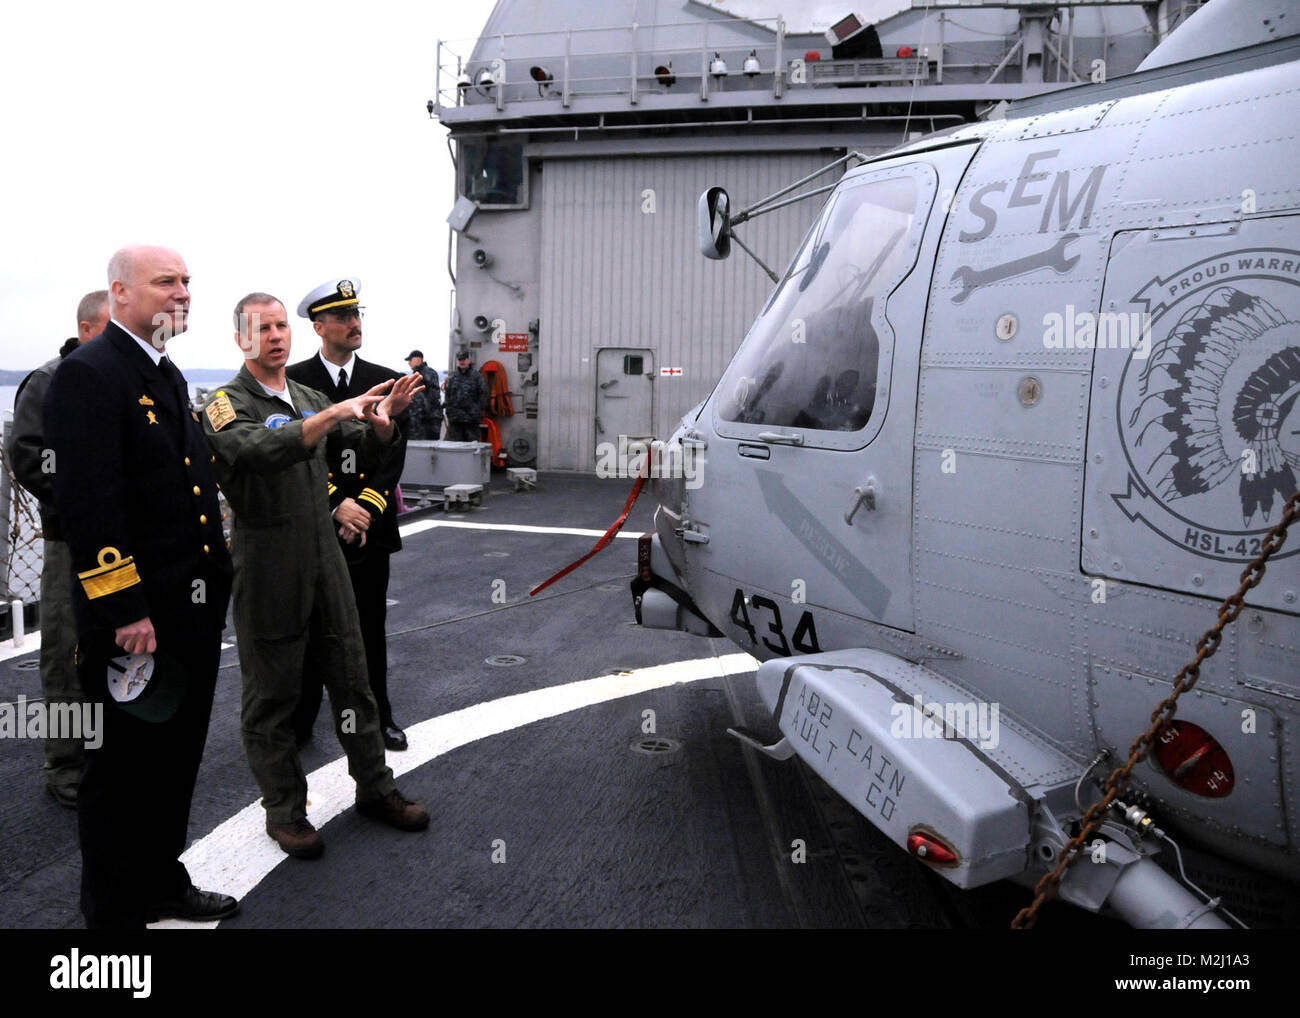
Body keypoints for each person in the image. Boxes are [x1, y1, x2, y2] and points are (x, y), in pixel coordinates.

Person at [44, 246, 236, 928]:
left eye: (187, 281)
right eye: (166, 282)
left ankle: (160, 880)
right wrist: (124, 607)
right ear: (120, 292)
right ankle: (113, 918)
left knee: (173, 761)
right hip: (139, 620)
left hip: (189, 612)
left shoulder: (164, 370)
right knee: (121, 773)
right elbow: (91, 502)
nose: (182, 292)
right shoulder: (91, 374)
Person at [205, 292, 428, 859]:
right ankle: (284, 811)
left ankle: (376, 789)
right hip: (269, 562)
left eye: (282, 325)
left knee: (352, 676)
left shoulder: (305, 395)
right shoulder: (224, 404)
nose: (276, 336)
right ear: (241, 340)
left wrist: (384, 421)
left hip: (325, 558)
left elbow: (355, 443)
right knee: (273, 692)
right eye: (263, 329)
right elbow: (260, 450)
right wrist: (333, 413)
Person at [286, 277, 411, 750]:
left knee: (367, 626)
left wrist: (367, 508)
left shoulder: (385, 379)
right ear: (319, 326)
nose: (354, 323)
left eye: (357, 314)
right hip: (317, 522)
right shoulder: (294, 382)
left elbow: (394, 452)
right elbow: (301, 448)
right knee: (310, 625)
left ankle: (378, 716)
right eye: (341, 316)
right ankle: (301, 718)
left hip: (370, 528)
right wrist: (338, 503)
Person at [7, 290, 109, 807]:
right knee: (66, 654)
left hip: (120, 544)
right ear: (88, 329)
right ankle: (66, 764)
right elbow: (27, 456)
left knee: (118, 646)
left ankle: (106, 752)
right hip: (70, 542)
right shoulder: (48, 381)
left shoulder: (117, 378)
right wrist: (87, 490)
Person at [444, 347, 488, 442]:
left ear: (468, 360)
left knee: (471, 447)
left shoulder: (477, 376)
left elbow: (484, 395)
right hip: (456, 420)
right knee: (455, 448)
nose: (462, 362)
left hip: (471, 420)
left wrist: (477, 411)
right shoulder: (453, 377)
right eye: (460, 360)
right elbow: (448, 395)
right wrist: (449, 411)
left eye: (464, 359)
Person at [404, 349, 442, 439]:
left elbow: (434, 396)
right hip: (420, 418)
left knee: (427, 445)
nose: (409, 363)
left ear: (417, 359)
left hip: (428, 419)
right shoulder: (418, 374)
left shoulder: (428, 373)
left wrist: (424, 411)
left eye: (410, 360)